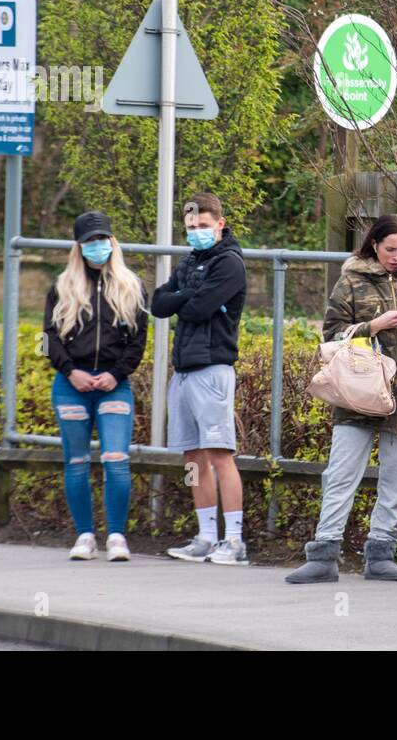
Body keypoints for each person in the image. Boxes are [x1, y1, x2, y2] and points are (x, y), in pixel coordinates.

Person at [286, 215, 397, 583]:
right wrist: (373, 327)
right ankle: (324, 552)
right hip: (356, 393)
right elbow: (330, 335)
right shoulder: (351, 281)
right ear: (373, 244)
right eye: (390, 248)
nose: (396, 256)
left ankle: (380, 554)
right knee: (341, 473)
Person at [43, 211, 148, 562]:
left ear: (112, 242)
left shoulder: (131, 286)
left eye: (103, 240)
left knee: (116, 459)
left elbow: (138, 341)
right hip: (71, 385)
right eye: (90, 241)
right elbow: (49, 339)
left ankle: (117, 536)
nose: (97, 246)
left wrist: (116, 374)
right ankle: (85, 535)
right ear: (79, 247)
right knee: (75, 462)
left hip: (113, 385)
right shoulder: (61, 287)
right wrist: (71, 371)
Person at [152, 193, 249, 565]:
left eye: (204, 227)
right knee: (193, 458)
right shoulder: (190, 261)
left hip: (212, 370)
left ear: (220, 224)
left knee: (220, 454)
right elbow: (158, 304)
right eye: (191, 228)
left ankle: (235, 541)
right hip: (183, 371)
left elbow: (195, 308)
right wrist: (185, 294)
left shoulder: (230, 264)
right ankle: (206, 536)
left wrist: (183, 295)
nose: (197, 233)